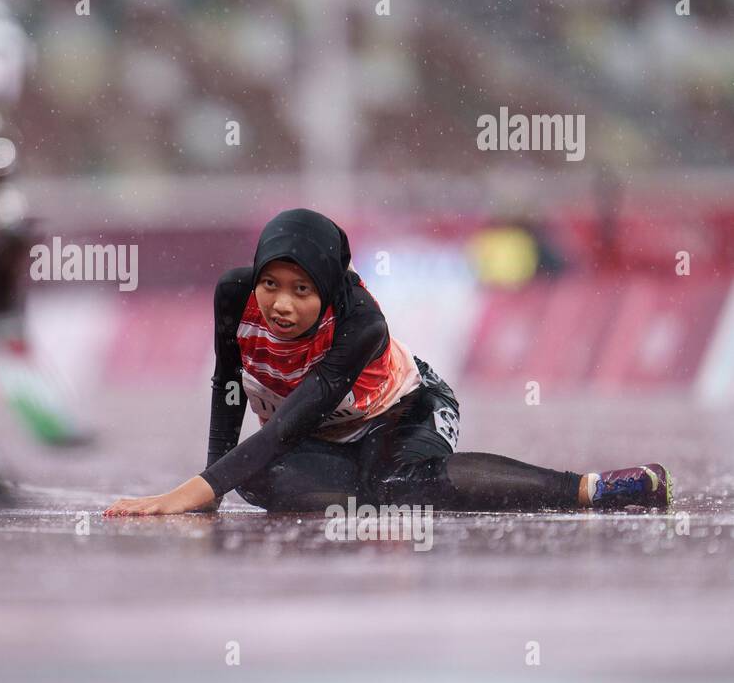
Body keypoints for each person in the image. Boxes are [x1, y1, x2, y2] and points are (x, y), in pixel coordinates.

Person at [105, 209, 673, 516]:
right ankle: (381, 492)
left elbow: (285, 428)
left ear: (329, 288)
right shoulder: (233, 295)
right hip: (328, 438)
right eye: (270, 284)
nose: (280, 305)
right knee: (251, 479)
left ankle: (591, 488)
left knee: (407, 486)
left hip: (406, 412)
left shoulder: (361, 325)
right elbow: (227, 383)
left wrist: (191, 491)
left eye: (302, 289)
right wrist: (214, 486)